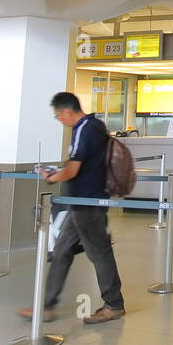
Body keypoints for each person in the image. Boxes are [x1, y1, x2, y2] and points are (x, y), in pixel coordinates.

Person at [18, 92, 125, 325]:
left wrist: (51, 177)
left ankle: (114, 304)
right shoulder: (95, 126)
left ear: (67, 111)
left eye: (59, 117)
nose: (60, 121)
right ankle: (46, 304)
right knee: (61, 251)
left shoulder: (84, 128)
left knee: (99, 253)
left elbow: (73, 169)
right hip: (82, 202)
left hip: (88, 203)